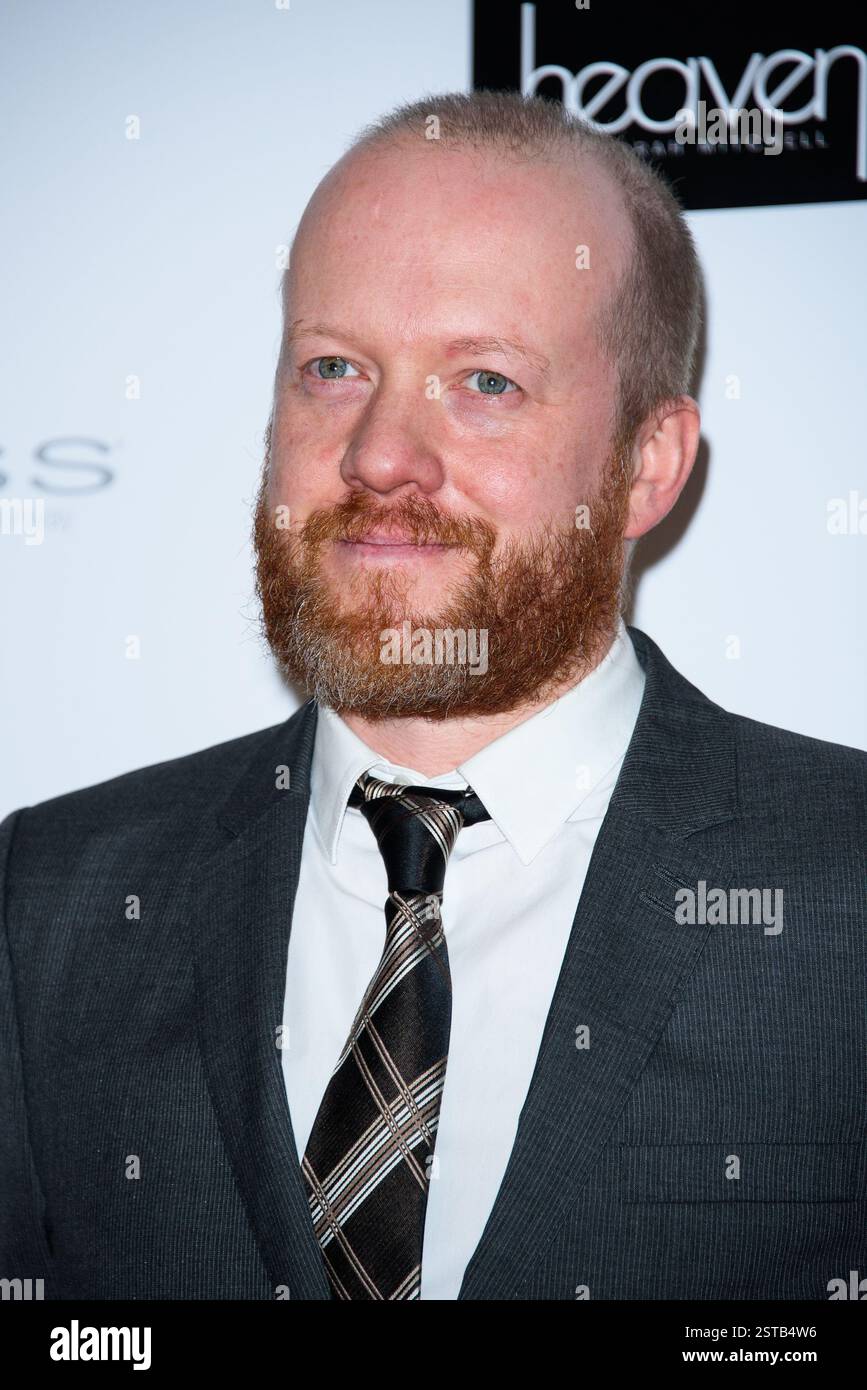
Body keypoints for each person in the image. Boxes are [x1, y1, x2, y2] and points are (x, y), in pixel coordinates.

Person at [1, 92, 864, 1302]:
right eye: (334, 367)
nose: (378, 454)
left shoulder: (846, 887)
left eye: (486, 382)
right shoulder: (49, 903)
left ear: (647, 465)